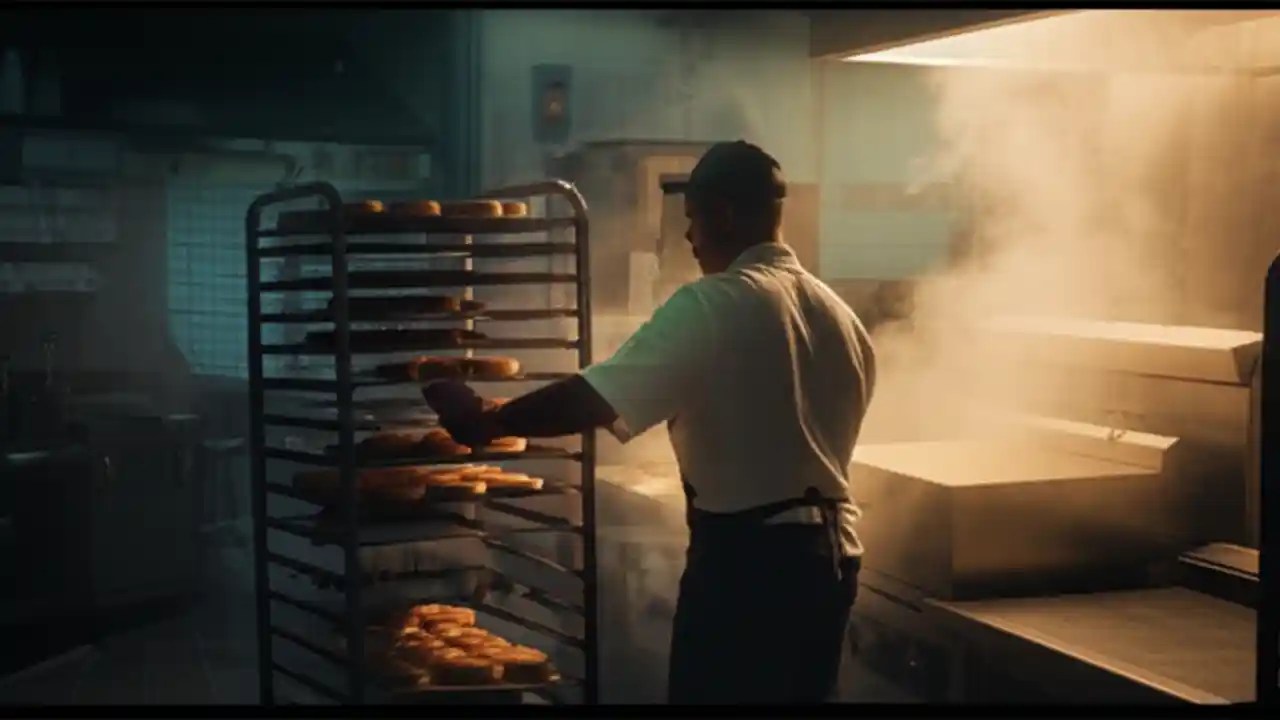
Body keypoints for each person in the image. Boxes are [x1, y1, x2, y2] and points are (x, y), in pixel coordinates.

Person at [423, 140, 877, 704]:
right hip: (833, 562)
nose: (689, 237)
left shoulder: (713, 302)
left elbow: (598, 397)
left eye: (693, 219)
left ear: (724, 214)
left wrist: (488, 420)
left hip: (749, 564)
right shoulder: (841, 317)